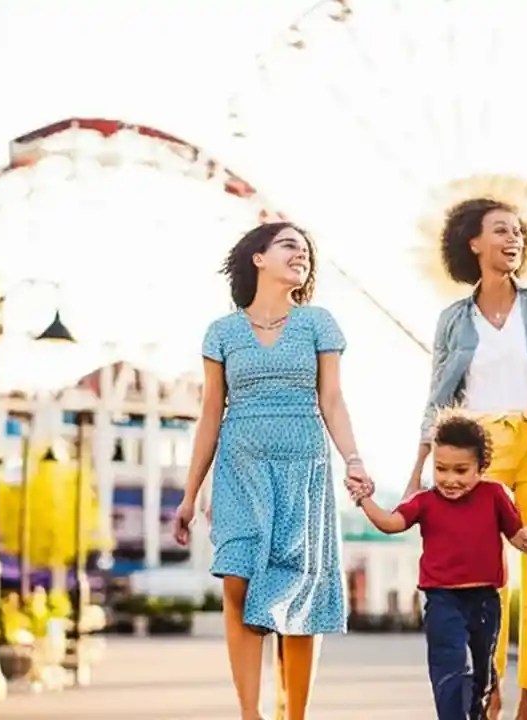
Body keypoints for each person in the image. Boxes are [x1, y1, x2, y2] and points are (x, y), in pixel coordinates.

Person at [173, 221, 368, 720]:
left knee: (299, 590)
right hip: (240, 468)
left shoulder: (318, 322)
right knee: (236, 578)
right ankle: (250, 713)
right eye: (288, 245)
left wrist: (354, 459)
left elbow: (333, 399)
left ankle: (294, 714)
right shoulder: (222, 332)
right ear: (258, 258)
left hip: (304, 468)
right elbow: (210, 412)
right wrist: (189, 495)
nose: (300, 254)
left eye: (305, 251)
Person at [408, 196, 527, 720]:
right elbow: (438, 398)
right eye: (501, 230)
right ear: (474, 242)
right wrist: (418, 466)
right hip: (477, 451)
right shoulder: (453, 319)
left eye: (518, 233)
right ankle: (491, 685)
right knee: (488, 577)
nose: (513, 239)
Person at [349, 412, 527, 720]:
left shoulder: (494, 496)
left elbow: (517, 536)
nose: (450, 479)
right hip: (442, 601)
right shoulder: (425, 501)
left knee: (481, 673)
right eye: (441, 469)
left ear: (481, 468)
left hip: (484, 602)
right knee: (450, 666)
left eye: (461, 470)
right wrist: (365, 501)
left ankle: (477, 709)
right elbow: (391, 523)